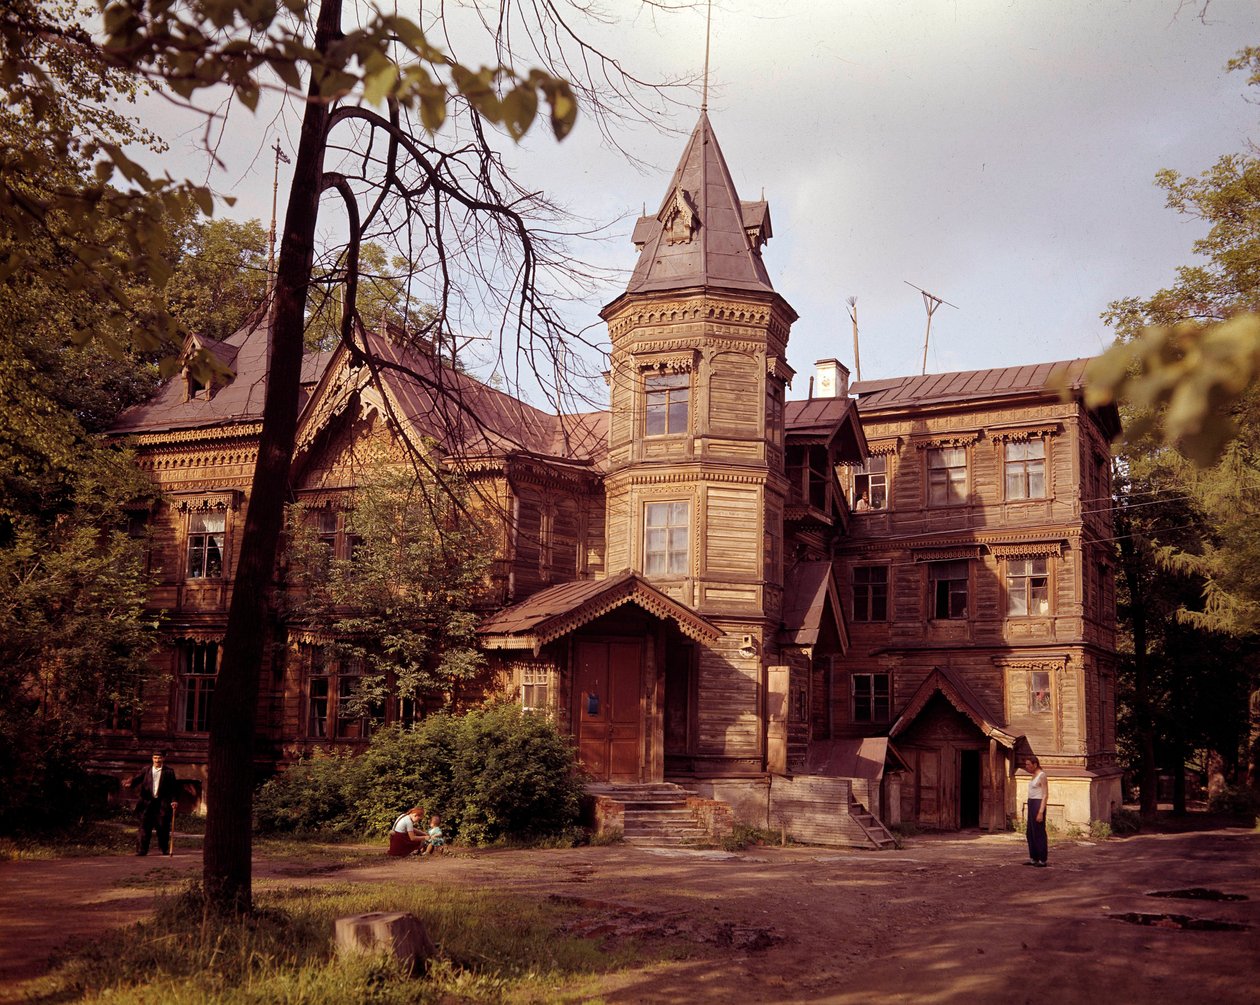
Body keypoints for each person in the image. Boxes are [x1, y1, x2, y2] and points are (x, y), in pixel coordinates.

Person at [129, 750, 179, 856]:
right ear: (152, 758)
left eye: (159, 758)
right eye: (155, 758)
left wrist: (174, 800)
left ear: (163, 759)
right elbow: (137, 780)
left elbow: (174, 788)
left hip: (162, 804)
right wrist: (129, 783)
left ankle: (164, 849)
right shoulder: (146, 770)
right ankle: (142, 850)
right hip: (147, 803)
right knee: (144, 827)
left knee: (163, 827)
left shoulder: (169, 772)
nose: (157, 760)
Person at [1024, 755, 1049, 867]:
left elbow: (1045, 795)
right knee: (1030, 832)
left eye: (1028, 764)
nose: (1027, 767)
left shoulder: (1042, 776)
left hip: (1038, 804)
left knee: (1039, 832)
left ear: (1035, 764)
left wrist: (1040, 812)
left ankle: (1042, 859)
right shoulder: (1033, 775)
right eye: (1026, 764)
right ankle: (1033, 858)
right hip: (1031, 802)